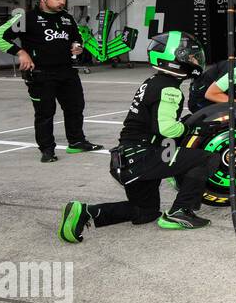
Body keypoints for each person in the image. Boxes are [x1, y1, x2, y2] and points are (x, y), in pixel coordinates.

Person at [58, 32, 219, 241]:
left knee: (145, 211)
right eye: (190, 56)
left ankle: (86, 211)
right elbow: (166, 129)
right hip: (144, 156)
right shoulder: (169, 89)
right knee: (206, 158)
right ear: (175, 59)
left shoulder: (153, 81)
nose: (195, 60)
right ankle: (181, 211)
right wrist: (193, 128)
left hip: (127, 159)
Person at [0, 0, 103, 162]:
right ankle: (47, 150)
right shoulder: (27, 18)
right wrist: (21, 52)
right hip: (41, 74)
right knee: (45, 113)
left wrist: (77, 46)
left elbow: (77, 37)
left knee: (75, 108)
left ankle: (76, 142)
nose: (62, 2)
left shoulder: (66, 17)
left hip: (67, 72)